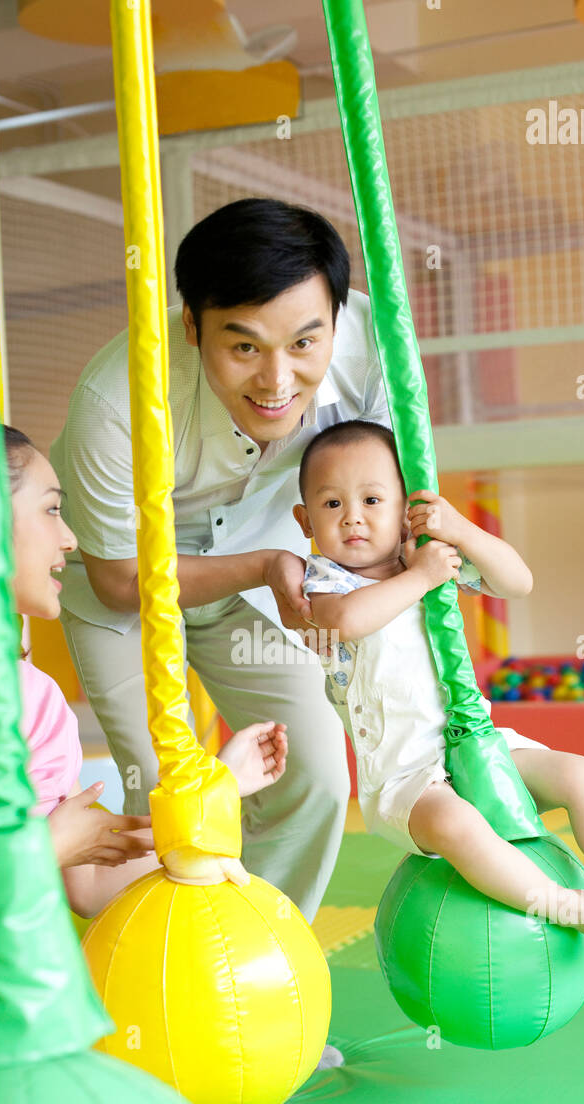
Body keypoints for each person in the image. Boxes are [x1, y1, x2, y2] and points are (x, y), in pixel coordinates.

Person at [0, 428, 288, 1104]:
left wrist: (213, 801)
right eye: (52, 510)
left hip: (9, 1042)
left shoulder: (36, 699)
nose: (71, 537)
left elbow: (86, 879)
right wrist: (52, 842)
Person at [50, 197, 391, 927]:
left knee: (318, 774)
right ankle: (156, 981)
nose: (277, 380)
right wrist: (266, 566)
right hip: (128, 592)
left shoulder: (373, 344)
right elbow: (118, 583)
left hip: (260, 576)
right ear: (191, 327)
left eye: (305, 343)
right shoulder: (115, 401)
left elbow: (388, 497)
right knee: (162, 793)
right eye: (244, 348)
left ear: (336, 317)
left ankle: (262, 974)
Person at [293, 420, 584, 957]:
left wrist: (458, 532)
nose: (353, 516)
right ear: (304, 519)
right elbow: (350, 621)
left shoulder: (425, 555)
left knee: (578, 773)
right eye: (331, 505)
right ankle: (569, 907)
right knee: (457, 823)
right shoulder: (324, 581)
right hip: (406, 781)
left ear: (403, 508)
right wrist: (424, 577)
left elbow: (517, 582)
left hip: (478, 743)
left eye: (373, 499)